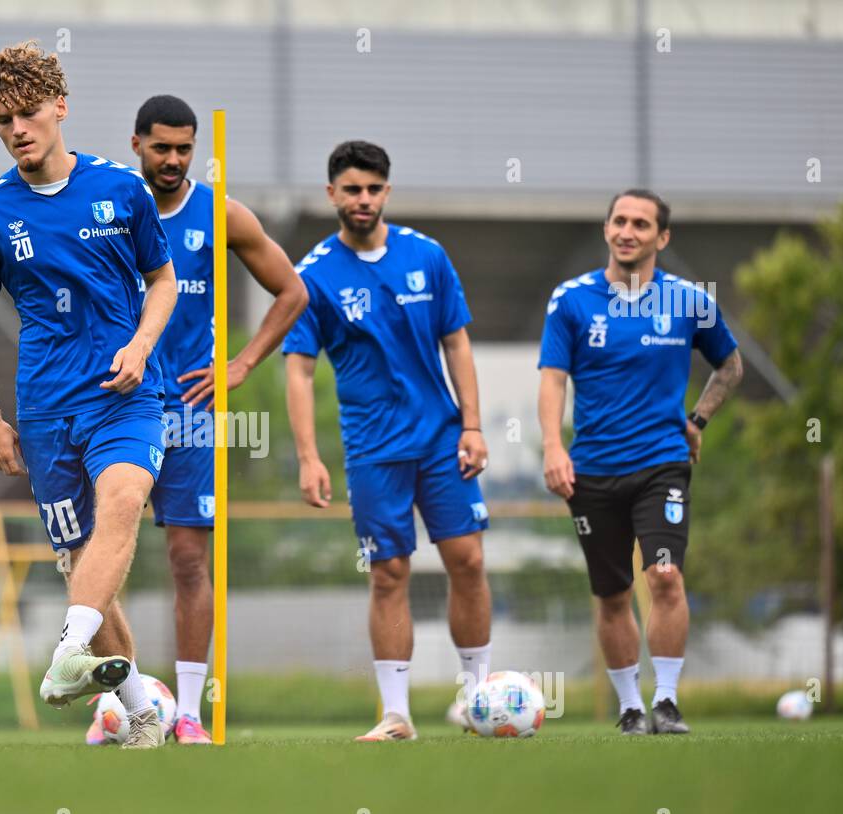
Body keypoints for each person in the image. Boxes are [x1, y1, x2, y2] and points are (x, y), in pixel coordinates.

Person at [0, 42, 178, 748]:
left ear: (60, 108)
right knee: (86, 568)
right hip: (47, 410)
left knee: (122, 504)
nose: (17, 129)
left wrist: (141, 345)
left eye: (27, 114)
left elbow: (163, 281)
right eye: (2, 120)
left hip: (127, 394)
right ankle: (141, 710)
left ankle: (62, 656)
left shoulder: (122, 189)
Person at [83, 94, 308, 745]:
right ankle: (122, 704)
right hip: (116, 400)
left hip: (190, 410)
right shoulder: (106, 207)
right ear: (136, 144)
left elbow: (293, 292)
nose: (175, 160)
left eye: (185, 148)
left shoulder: (220, 212)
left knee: (187, 559)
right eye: (162, 148)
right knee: (101, 555)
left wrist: (240, 365)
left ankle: (185, 712)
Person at [284, 141, 493, 741]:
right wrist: (308, 457)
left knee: (468, 559)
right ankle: (396, 713)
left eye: (374, 189)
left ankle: (477, 695)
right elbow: (299, 369)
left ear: (387, 193)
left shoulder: (427, 255)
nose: (363, 200)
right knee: (389, 572)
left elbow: (456, 342)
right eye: (352, 189)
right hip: (373, 449)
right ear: (332, 195)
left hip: (443, 439)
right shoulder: (313, 274)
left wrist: (474, 424)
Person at [538, 188, 743, 735]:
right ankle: (631, 707)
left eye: (642, 224)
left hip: (662, 463)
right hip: (592, 471)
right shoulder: (570, 300)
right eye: (619, 221)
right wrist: (553, 447)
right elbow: (552, 379)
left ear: (662, 237)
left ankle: (667, 701)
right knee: (612, 595)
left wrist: (696, 422)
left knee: (666, 577)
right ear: (606, 229)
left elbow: (730, 365)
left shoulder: (689, 301)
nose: (628, 231)